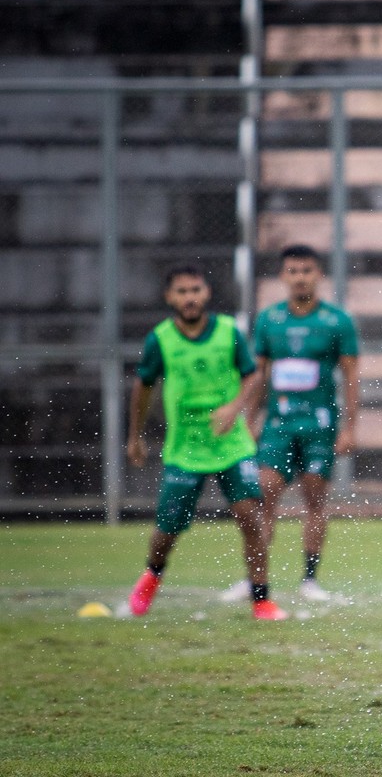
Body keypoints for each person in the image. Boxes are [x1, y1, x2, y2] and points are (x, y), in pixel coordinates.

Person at [125, 264, 288, 621]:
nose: (189, 298)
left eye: (195, 290)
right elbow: (144, 386)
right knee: (167, 529)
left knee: (249, 516)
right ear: (170, 297)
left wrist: (235, 407)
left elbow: (252, 376)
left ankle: (261, 599)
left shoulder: (228, 332)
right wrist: (135, 435)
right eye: (182, 292)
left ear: (207, 293)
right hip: (186, 449)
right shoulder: (161, 339)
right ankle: (151, 575)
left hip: (232, 445)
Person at [221, 244, 360, 603]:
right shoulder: (269, 320)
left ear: (318, 275)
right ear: (283, 276)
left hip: (319, 425)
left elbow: (351, 377)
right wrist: (250, 421)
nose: (300, 277)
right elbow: (258, 375)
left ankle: (310, 580)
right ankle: (255, 580)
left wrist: (349, 428)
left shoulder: (337, 321)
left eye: (307, 270)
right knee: (263, 496)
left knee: (315, 500)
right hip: (278, 426)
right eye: (293, 271)